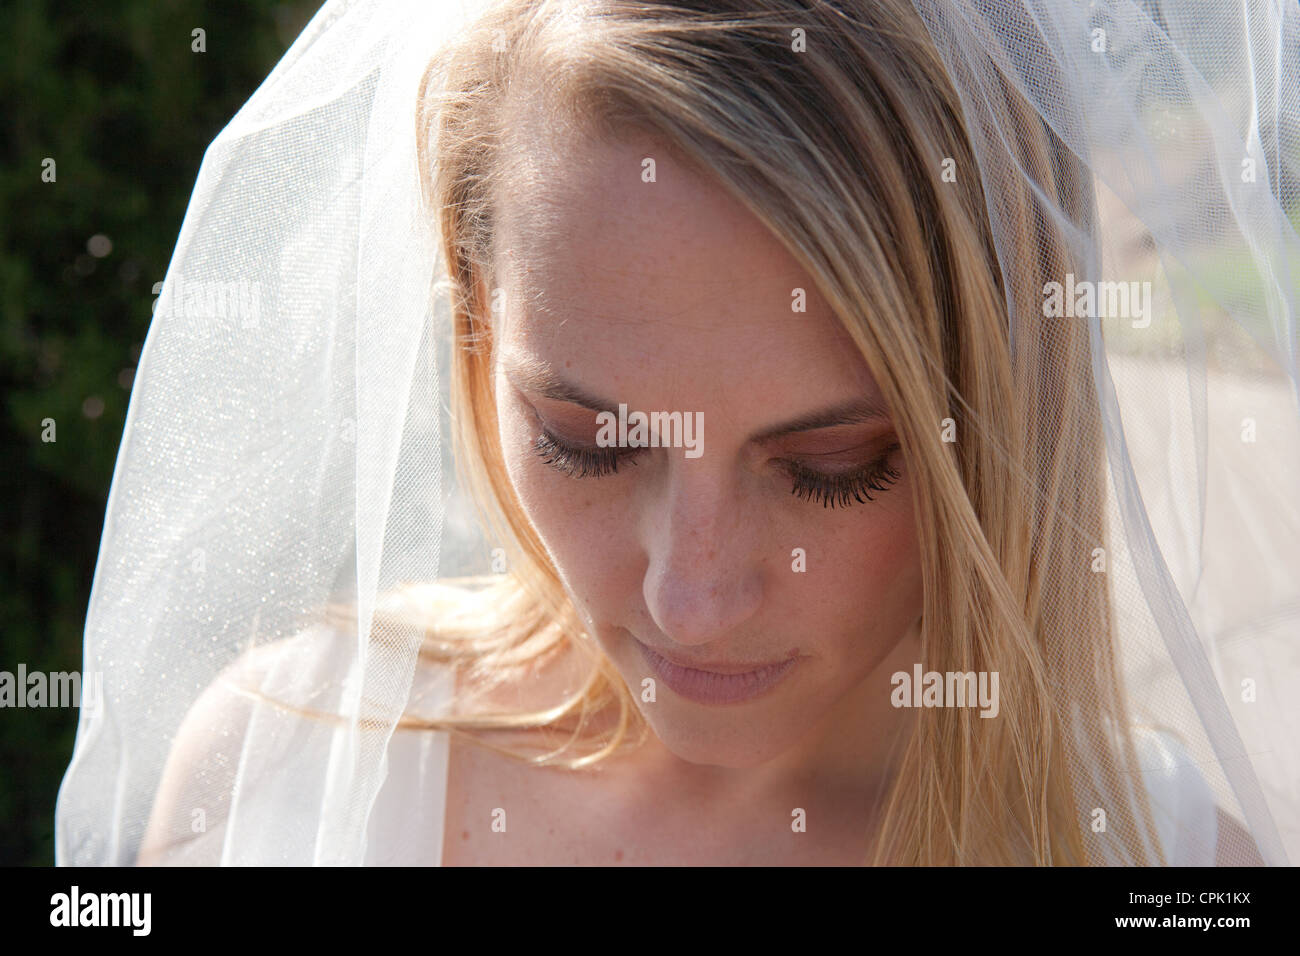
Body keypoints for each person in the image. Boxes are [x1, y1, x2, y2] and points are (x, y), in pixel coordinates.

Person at [59, 0, 1299, 866]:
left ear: (1005, 409)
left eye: (832, 467)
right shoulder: (277, 772)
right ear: (474, 323)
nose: (690, 595)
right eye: (587, 443)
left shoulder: (1171, 866)